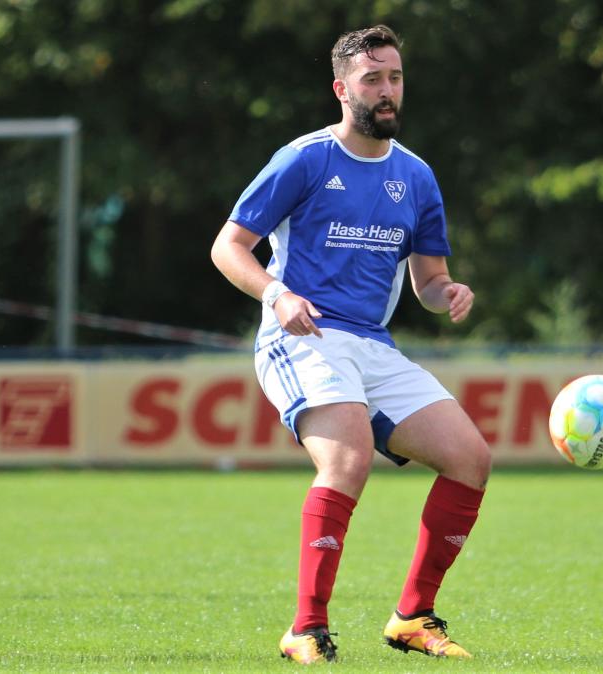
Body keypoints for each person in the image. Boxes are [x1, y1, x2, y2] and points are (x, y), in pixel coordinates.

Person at [210, 24, 491, 665]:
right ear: (342, 89)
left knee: (471, 458)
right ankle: (305, 629)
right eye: (373, 79)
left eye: (395, 77)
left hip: (372, 344)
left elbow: (427, 278)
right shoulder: (304, 159)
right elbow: (228, 247)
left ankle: (412, 619)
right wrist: (276, 294)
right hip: (302, 335)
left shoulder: (416, 176)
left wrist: (448, 292)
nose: (387, 90)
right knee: (348, 459)